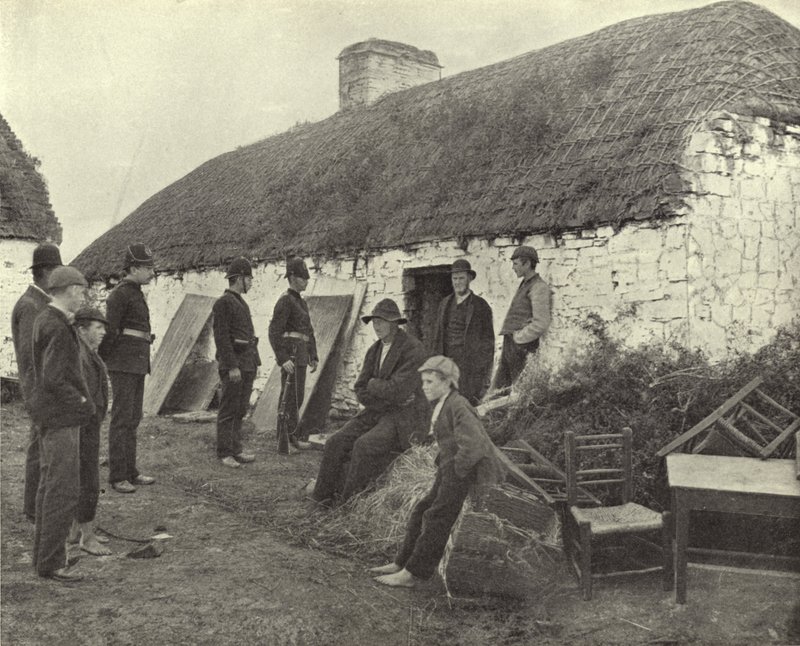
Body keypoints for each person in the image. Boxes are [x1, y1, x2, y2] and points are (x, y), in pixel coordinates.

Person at [371, 355, 503, 588]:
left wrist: (454, 473)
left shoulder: (458, 405)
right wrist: (443, 464)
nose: (424, 387)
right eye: (423, 382)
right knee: (423, 509)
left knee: (437, 517)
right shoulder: (444, 403)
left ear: (447, 382)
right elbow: (450, 440)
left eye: (430, 382)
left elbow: (474, 446)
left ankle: (413, 573)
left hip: (466, 470)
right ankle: (401, 562)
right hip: (451, 467)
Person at [311, 298, 430, 505]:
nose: (376, 326)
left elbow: (398, 391)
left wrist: (374, 385)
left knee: (364, 445)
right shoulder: (374, 350)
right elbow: (359, 388)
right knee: (334, 442)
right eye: (374, 321)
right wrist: (382, 394)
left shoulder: (413, 349)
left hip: (403, 418)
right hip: (378, 410)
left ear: (395, 323)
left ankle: (348, 504)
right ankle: (321, 498)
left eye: (382, 321)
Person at [29, 266, 95, 583]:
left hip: (50, 417)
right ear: (69, 289)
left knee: (48, 487)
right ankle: (53, 562)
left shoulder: (46, 319)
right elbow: (54, 378)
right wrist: (81, 402)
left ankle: (45, 558)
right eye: (82, 291)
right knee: (63, 490)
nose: (84, 296)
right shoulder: (56, 325)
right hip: (61, 419)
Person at [99, 243, 157, 493]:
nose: (152, 273)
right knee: (122, 419)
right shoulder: (120, 295)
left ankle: (131, 471)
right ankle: (117, 476)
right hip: (123, 363)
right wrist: (108, 360)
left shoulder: (135, 292)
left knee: (133, 418)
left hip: (136, 362)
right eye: (148, 268)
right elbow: (109, 331)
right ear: (133, 268)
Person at [11, 243, 62, 522]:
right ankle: (33, 507)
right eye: (56, 271)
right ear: (45, 272)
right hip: (40, 389)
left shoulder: (39, 302)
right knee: (38, 448)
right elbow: (33, 356)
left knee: (40, 446)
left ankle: (35, 505)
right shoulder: (31, 306)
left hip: (42, 388)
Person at [68, 307, 112, 556]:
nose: (103, 332)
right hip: (84, 425)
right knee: (88, 480)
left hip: (88, 424)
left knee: (82, 476)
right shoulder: (80, 356)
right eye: (98, 328)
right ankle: (88, 536)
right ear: (82, 330)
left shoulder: (87, 352)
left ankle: (75, 530)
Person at [213, 258, 261, 468]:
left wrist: (254, 364)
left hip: (247, 364)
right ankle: (225, 452)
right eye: (249, 278)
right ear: (239, 278)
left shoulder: (241, 302)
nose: (251, 282)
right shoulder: (223, 302)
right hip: (234, 366)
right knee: (229, 409)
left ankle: (236, 449)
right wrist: (232, 366)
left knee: (240, 408)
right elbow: (221, 337)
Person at [268, 257, 318, 452]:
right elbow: (274, 332)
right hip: (291, 356)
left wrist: (313, 355)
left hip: (302, 355)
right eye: (303, 278)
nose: (306, 281)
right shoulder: (285, 301)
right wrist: (282, 359)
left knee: (297, 397)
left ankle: (293, 437)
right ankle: (284, 440)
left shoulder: (301, 303)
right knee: (288, 398)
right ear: (293, 278)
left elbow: (309, 331)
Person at [431, 259, 494, 406]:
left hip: (469, 369)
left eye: (461, 278)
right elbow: (437, 337)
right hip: (446, 366)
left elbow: (488, 344)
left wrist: (481, 372)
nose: (457, 282)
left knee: (466, 405)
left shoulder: (481, 306)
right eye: (454, 278)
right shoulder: (445, 304)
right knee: (444, 404)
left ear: (469, 279)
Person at [492, 245, 551, 390]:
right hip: (511, 347)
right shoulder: (525, 284)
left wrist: (518, 338)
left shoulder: (539, 287)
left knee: (520, 392)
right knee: (500, 391)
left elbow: (541, 323)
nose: (513, 268)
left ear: (528, 263)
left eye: (516, 263)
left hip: (522, 348)